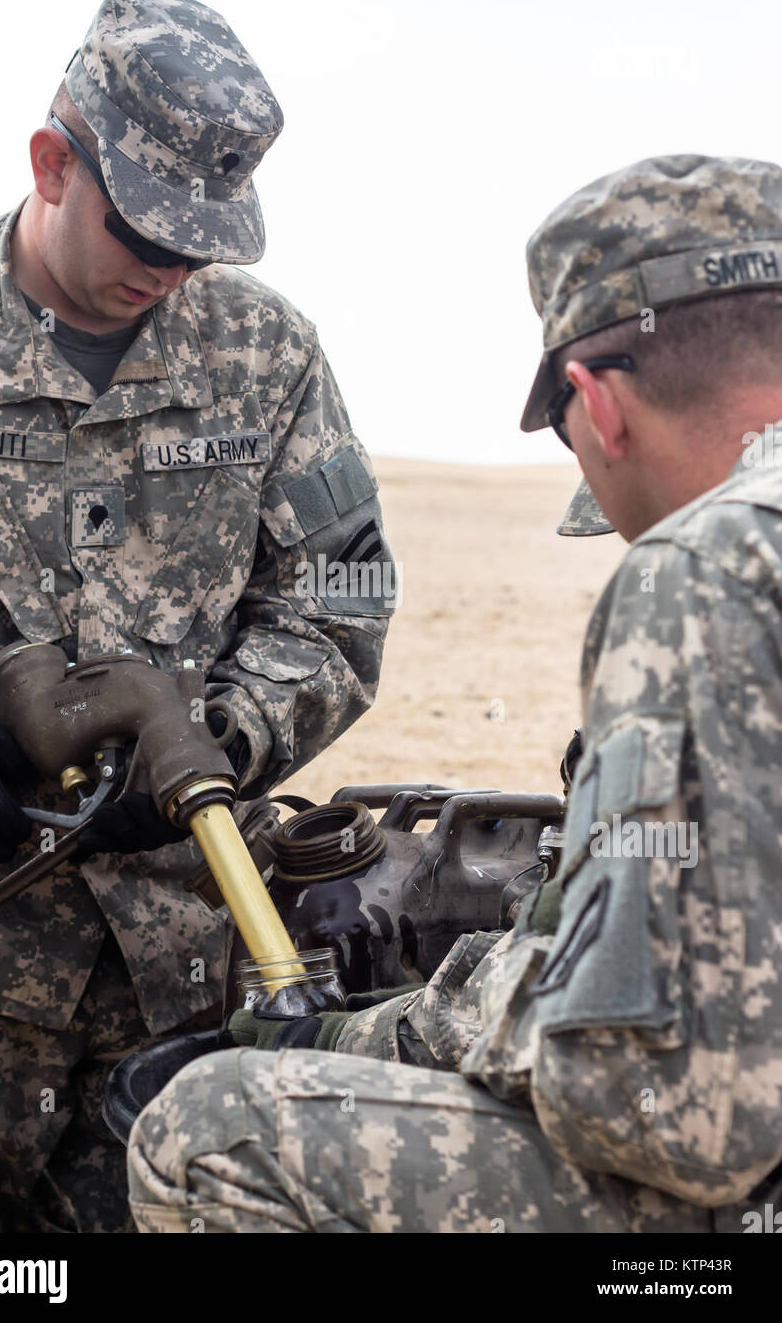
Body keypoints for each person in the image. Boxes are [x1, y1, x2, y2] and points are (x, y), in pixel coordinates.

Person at [128, 153, 782, 1233]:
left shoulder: (705, 568)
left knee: (213, 1130)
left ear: (593, 405)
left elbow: (673, 1115)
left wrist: (394, 1034)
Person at [0, 0, 395, 1233]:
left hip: (181, 965)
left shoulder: (265, 355)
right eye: (143, 230)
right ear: (50, 163)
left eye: (201, 241)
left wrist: (223, 739)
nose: (169, 270)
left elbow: (337, 600)